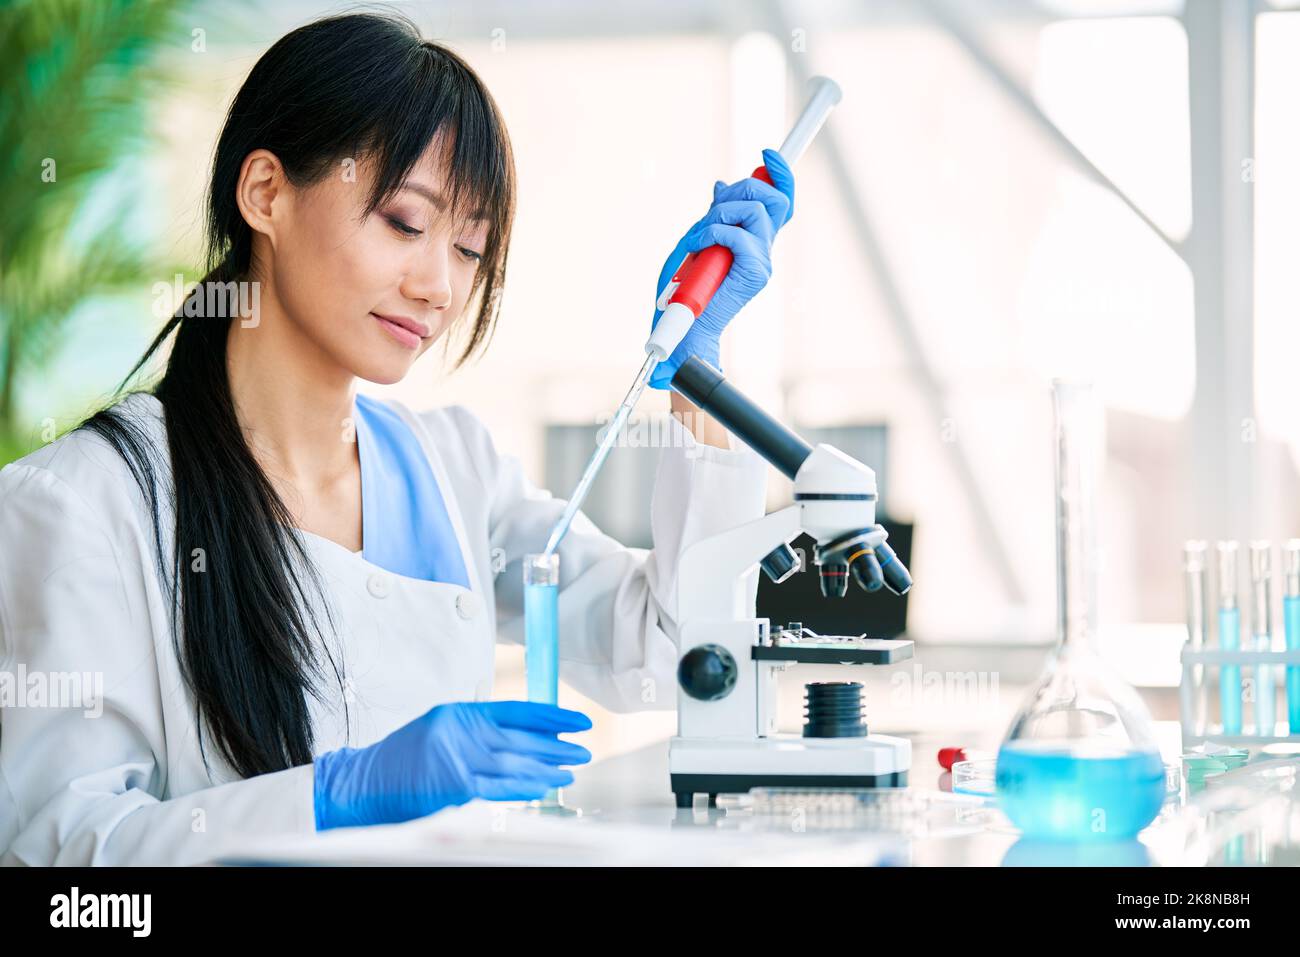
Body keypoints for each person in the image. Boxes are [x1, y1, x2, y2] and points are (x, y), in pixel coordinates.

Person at [0, 10, 794, 865]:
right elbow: (57, 857)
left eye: (469, 248)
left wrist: (694, 369)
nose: (438, 286)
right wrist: (338, 793)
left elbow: (671, 654)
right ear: (265, 192)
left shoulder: (453, 470)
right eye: (406, 225)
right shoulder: (83, 503)